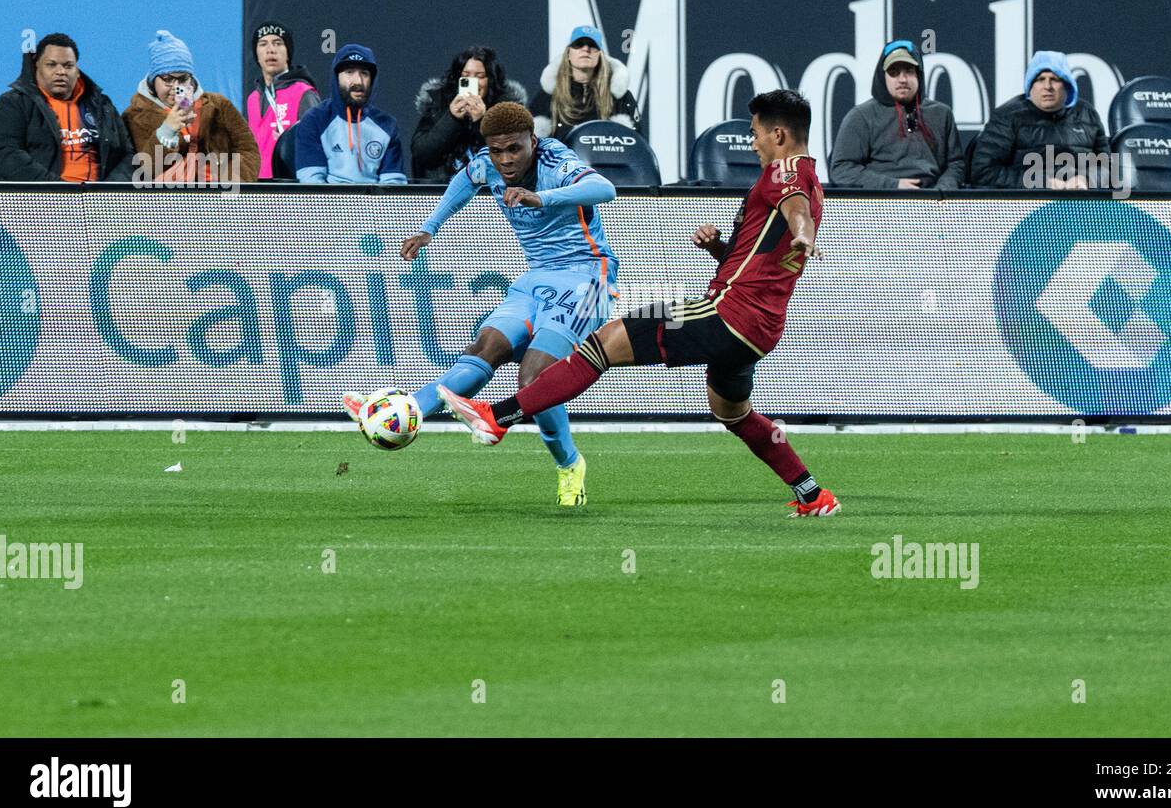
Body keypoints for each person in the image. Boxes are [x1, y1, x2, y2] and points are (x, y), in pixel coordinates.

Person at [437, 90, 841, 518]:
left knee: (603, 342)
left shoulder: (786, 174)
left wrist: (804, 231)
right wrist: (720, 247)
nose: (753, 141)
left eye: (755, 133)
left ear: (778, 133)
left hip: (727, 313)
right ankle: (812, 493)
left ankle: (496, 417)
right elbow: (764, 258)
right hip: (759, 326)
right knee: (733, 412)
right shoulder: (811, 178)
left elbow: (797, 211)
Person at [344, 102, 617, 507]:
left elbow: (605, 189)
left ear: (532, 141)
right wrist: (428, 229)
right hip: (537, 276)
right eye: (497, 150)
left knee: (535, 377)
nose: (506, 160)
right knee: (484, 347)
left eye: (515, 149)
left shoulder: (556, 158)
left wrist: (541, 198)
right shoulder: (487, 163)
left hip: (591, 279)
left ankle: (568, 463)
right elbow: (463, 181)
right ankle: (401, 412)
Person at [0, 33, 134, 182]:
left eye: (68, 66)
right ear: (37, 67)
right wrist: (58, 190)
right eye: (51, 65)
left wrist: (107, 193)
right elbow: (3, 155)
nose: (61, 72)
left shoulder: (102, 106)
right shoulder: (13, 103)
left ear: (77, 71)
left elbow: (127, 155)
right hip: (40, 200)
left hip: (99, 202)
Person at [123, 30, 260, 184]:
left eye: (182, 79)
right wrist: (167, 131)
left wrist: (228, 185)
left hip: (218, 202)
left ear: (191, 78)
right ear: (153, 81)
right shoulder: (134, 115)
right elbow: (142, 170)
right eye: (167, 79)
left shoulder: (220, 106)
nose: (175, 87)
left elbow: (248, 150)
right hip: (168, 203)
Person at [830, 39, 963, 189]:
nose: (902, 79)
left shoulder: (941, 114)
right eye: (894, 73)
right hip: (881, 204)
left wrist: (942, 192)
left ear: (919, 74)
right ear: (882, 76)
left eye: (909, 71)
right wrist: (894, 186)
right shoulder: (861, 117)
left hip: (934, 203)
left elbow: (955, 164)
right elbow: (841, 170)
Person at [969, 50, 1108, 189]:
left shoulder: (1088, 114)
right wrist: (1042, 183)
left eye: (1055, 79)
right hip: (1025, 206)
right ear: (1030, 86)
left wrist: (1087, 179)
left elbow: (1110, 167)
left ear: (1067, 84)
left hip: (1081, 203)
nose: (1047, 87)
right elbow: (983, 172)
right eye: (1040, 79)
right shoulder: (1007, 117)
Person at [409, 45, 527, 181]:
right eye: (466, 76)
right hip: (443, 194)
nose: (473, 82)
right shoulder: (437, 104)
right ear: (457, 78)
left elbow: (512, 159)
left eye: (480, 76)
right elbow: (422, 156)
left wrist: (482, 122)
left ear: (491, 80)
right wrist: (452, 119)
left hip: (492, 195)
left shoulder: (508, 109)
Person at [294, 43, 406, 184]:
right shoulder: (314, 120)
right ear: (336, 77)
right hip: (329, 204)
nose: (358, 81)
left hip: (374, 205)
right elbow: (312, 185)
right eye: (349, 72)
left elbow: (393, 186)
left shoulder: (388, 125)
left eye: (364, 73)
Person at [529, 25, 640, 141]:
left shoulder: (621, 98)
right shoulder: (547, 96)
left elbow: (638, 146)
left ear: (600, 54)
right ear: (568, 54)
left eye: (592, 45)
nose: (586, 49)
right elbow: (531, 145)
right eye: (579, 44)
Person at [246, 21, 322, 180]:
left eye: (278, 43)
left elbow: (317, 146)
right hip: (257, 189)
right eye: (263, 44)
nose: (270, 50)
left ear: (288, 53)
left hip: (289, 189)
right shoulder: (253, 98)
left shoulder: (303, 92)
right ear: (256, 56)